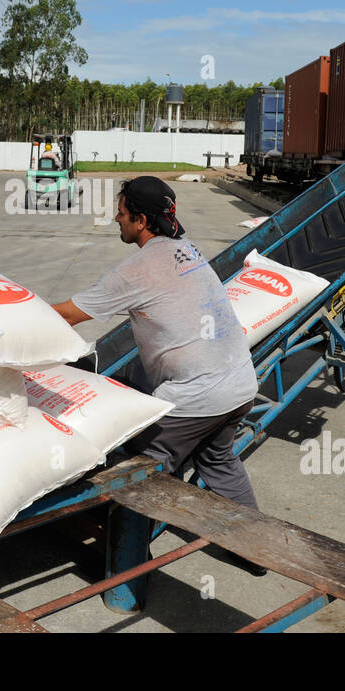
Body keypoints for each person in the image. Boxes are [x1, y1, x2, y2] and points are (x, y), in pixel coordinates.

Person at [50, 177, 265, 574]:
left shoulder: (136, 270)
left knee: (138, 465)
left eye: (122, 212)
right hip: (240, 386)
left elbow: (65, 315)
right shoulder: (187, 248)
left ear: (141, 220)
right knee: (218, 460)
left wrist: (6, 311)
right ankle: (255, 550)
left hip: (197, 397)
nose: (117, 218)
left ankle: (128, 566)